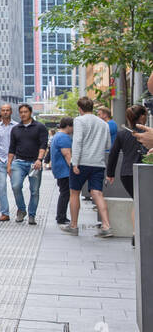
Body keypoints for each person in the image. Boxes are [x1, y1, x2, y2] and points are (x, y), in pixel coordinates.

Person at [65, 96, 112, 237]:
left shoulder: (79, 120)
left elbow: (77, 142)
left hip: (82, 162)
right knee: (97, 193)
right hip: (98, 163)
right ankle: (106, 226)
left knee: (74, 193)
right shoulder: (103, 124)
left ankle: (73, 225)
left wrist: (75, 162)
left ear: (80, 108)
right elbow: (108, 145)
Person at [7, 103, 50, 225]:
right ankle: (21, 210)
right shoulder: (15, 129)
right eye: (21, 112)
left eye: (25, 112)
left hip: (34, 163)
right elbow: (12, 148)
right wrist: (9, 164)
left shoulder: (40, 127)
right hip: (19, 162)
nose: (23, 114)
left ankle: (32, 215)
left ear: (30, 113)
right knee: (16, 186)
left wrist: (39, 160)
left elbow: (43, 144)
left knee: (34, 190)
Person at [107, 104, 148, 201]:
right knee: (145, 202)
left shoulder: (122, 134)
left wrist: (110, 174)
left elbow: (113, 154)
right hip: (145, 172)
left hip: (126, 174)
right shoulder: (147, 134)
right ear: (142, 117)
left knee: (138, 202)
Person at [0, 104, 17, 222]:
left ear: (11, 112)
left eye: (7, 110)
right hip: (0, 161)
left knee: (16, 186)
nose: (5, 112)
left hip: (14, 161)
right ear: (1, 112)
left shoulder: (17, 126)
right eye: (3, 110)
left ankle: (20, 209)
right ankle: (5, 212)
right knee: (1, 187)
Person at [49, 117, 75, 227]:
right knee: (65, 193)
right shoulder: (64, 137)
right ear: (68, 126)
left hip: (59, 169)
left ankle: (60, 216)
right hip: (64, 170)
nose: (73, 129)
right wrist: (73, 167)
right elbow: (67, 154)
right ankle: (61, 217)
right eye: (73, 127)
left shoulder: (57, 136)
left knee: (64, 193)